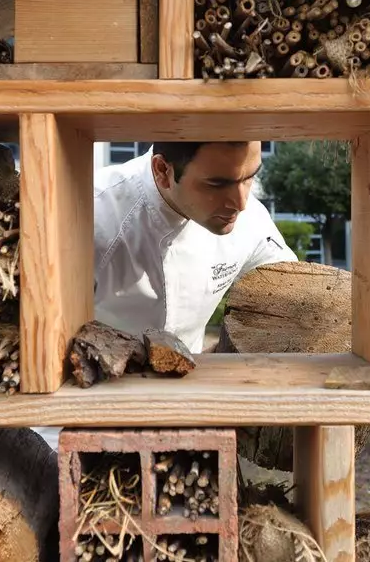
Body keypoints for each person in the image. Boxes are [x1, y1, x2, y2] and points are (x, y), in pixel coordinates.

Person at [34, 141, 297, 449]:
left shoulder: (250, 217)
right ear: (162, 171)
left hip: (188, 415)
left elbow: (287, 289)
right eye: (217, 184)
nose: (240, 202)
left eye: (249, 177)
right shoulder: (92, 217)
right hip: (76, 419)